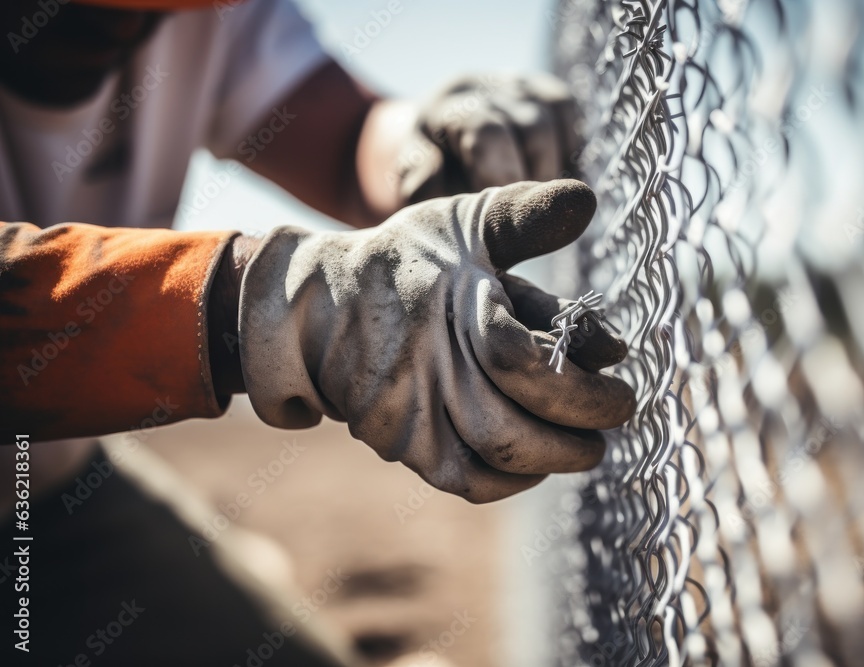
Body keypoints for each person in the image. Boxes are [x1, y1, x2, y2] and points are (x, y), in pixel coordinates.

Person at [0, 0, 635, 664]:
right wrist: (281, 309)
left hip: (49, 476)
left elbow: (344, 138)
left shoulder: (208, 16)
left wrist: (427, 144)